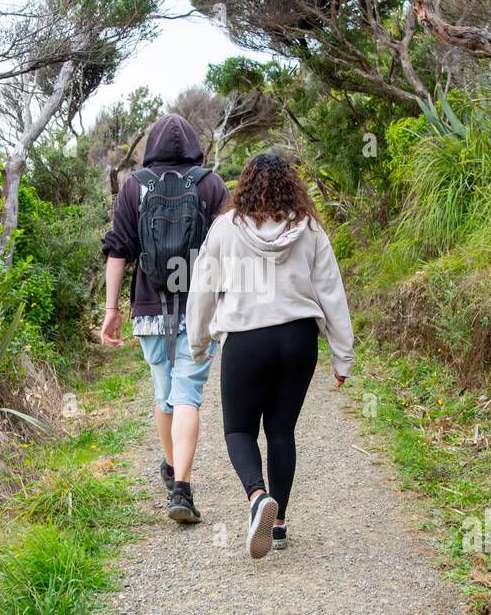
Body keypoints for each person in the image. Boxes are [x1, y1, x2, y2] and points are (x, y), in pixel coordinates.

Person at [186, 152, 353, 559]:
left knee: (239, 430)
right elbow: (332, 291)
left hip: (246, 340)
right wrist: (341, 354)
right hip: (297, 340)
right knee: (281, 431)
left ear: (244, 184)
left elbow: (203, 288)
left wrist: (198, 342)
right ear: (291, 184)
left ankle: (258, 497)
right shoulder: (309, 228)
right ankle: (277, 525)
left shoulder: (225, 228)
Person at [100, 113, 229, 523]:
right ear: (195, 144)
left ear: (150, 146)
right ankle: (183, 490)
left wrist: (112, 310)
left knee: (163, 392)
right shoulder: (210, 184)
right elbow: (230, 251)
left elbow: (117, 250)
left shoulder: (134, 186)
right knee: (188, 393)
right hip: (199, 309)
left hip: (150, 310)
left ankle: (172, 470)